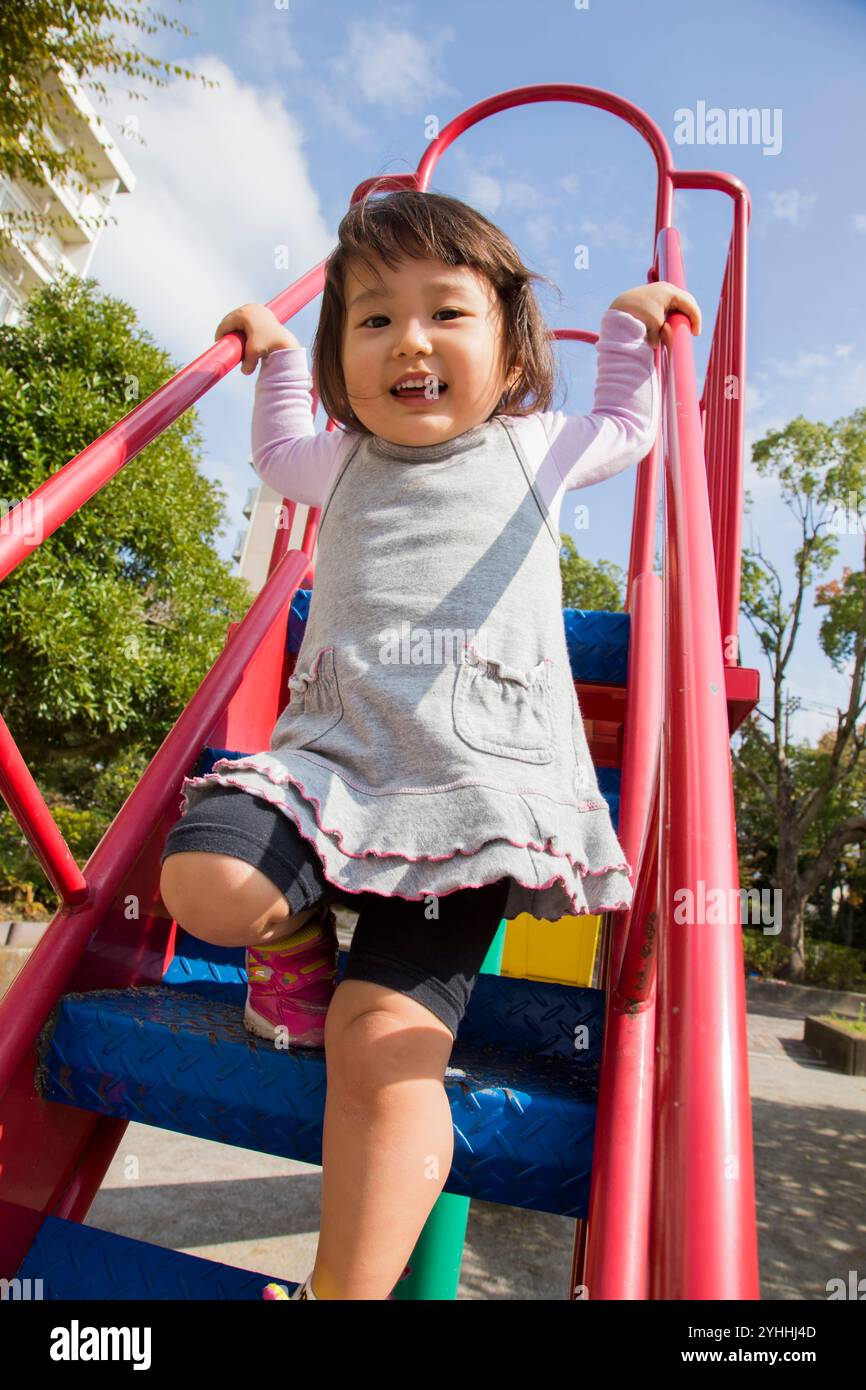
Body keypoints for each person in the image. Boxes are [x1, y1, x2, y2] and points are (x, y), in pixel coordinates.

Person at [159, 189, 700, 1301]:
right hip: (327, 765)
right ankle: (296, 948)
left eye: (444, 313)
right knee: (204, 880)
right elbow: (274, 453)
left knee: (380, 1046)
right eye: (371, 319)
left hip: (464, 797)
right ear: (341, 360)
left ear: (507, 360)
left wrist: (625, 328)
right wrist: (268, 359)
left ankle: (339, 1293)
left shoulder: (531, 448)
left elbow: (630, 429)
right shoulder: (339, 462)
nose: (408, 340)